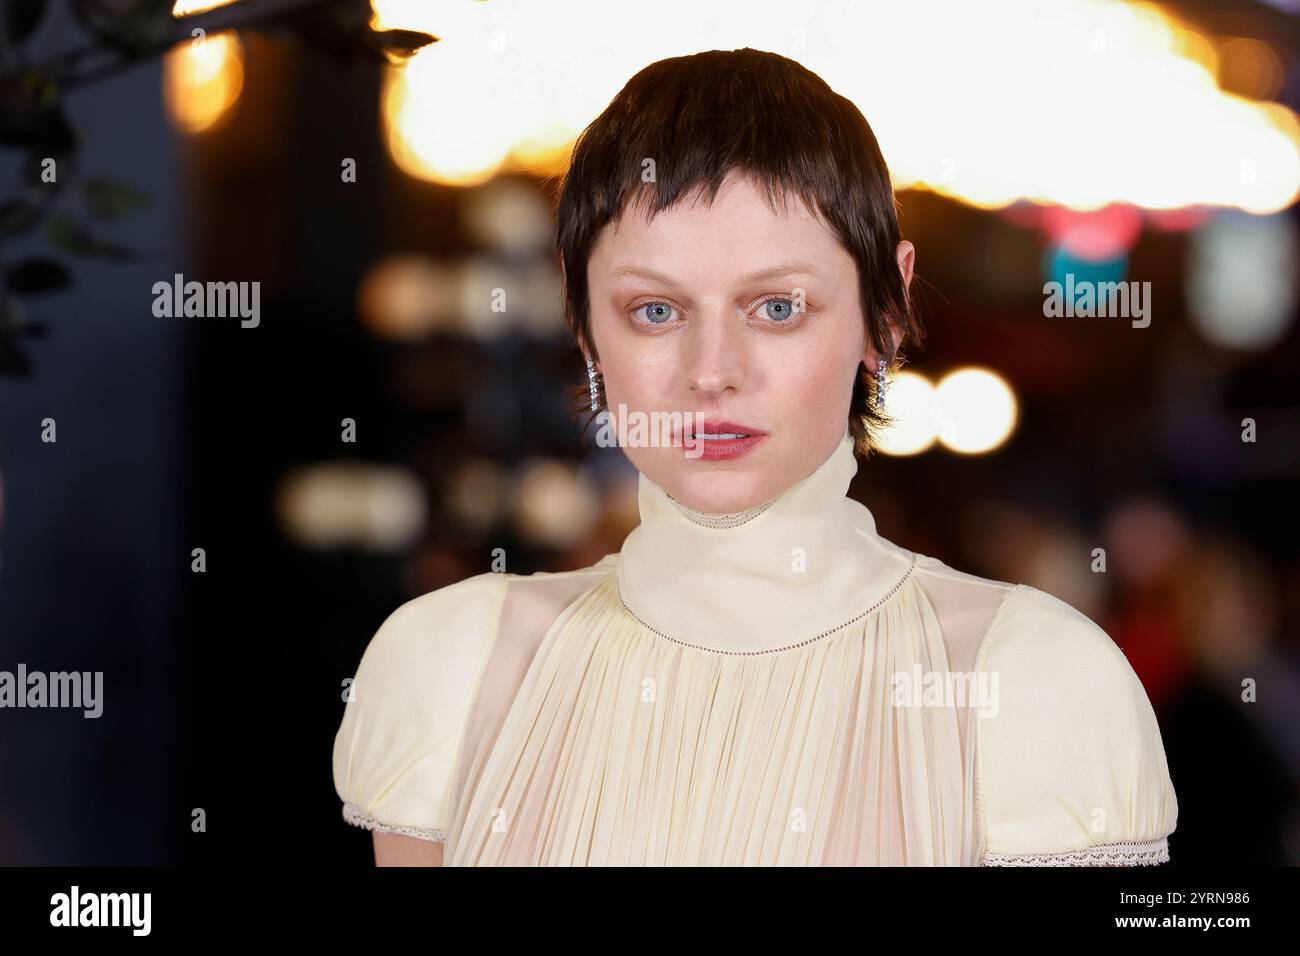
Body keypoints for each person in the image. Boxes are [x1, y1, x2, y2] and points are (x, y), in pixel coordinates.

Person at [332, 48, 1178, 866]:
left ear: (886, 309)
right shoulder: (452, 663)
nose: (711, 373)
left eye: (776, 306)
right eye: (655, 311)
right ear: (582, 318)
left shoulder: (1034, 685)